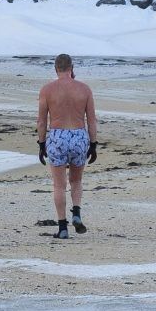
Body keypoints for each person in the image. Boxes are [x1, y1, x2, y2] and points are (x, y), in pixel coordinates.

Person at [36, 52, 100, 240]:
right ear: (72, 68)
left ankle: (62, 228)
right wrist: (93, 143)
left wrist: (41, 144)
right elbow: (92, 120)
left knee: (59, 185)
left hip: (57, 136)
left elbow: (41, 122)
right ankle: (77, 214)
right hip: (79, 135)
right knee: (76, 181)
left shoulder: (47, 90)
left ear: (56, 69)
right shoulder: (84, 89)